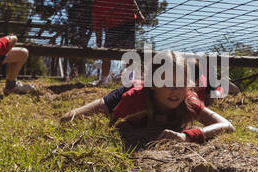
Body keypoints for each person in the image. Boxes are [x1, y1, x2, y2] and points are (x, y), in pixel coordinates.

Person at [59, 51, 233, 144]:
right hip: (127, 92)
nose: (175, 91)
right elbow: (116, 128)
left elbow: (227, 126)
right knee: (68, 119)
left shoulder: (187, 99)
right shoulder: (135, 100)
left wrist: (187, 136)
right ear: (153, 84)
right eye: (166, 83)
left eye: (180, 83)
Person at [83, 0, 144, 84]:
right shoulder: (96, 5)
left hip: (127, 24)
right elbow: (98, 24)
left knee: (128, 53)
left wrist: (139, 14)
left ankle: (130, 81)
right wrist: (99, 40)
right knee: (106, 54)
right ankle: (104, 80)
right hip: (111, 29)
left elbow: (131, 0)